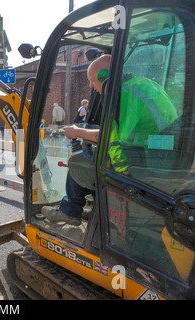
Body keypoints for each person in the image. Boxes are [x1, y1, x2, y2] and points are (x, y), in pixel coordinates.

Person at [43, 54, 178, 226]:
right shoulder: (143, 85)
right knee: (97, 159)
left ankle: (70, 211)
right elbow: (118, 132)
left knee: (80, 162)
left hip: (147, 161)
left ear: (104, 77)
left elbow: (110, 139)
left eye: (92, 80)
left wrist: (78, 132)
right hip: (158, 153)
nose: (91, 85)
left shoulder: (127, 94)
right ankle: (98, 209)